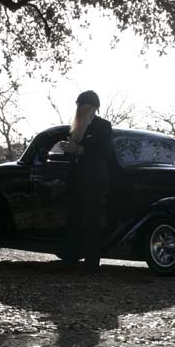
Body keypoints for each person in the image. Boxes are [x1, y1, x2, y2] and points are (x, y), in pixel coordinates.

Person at [65, 90, 113, 273]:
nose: (77, 108)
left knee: (92, 223)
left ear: (91, 107)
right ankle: (70, 263)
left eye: (80, 105)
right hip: (75, 182)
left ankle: (91, 266)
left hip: (94, 183)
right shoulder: (75, 127)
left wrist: (79, 149)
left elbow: (104, 153)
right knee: (74, 221)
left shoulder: (103, 127)